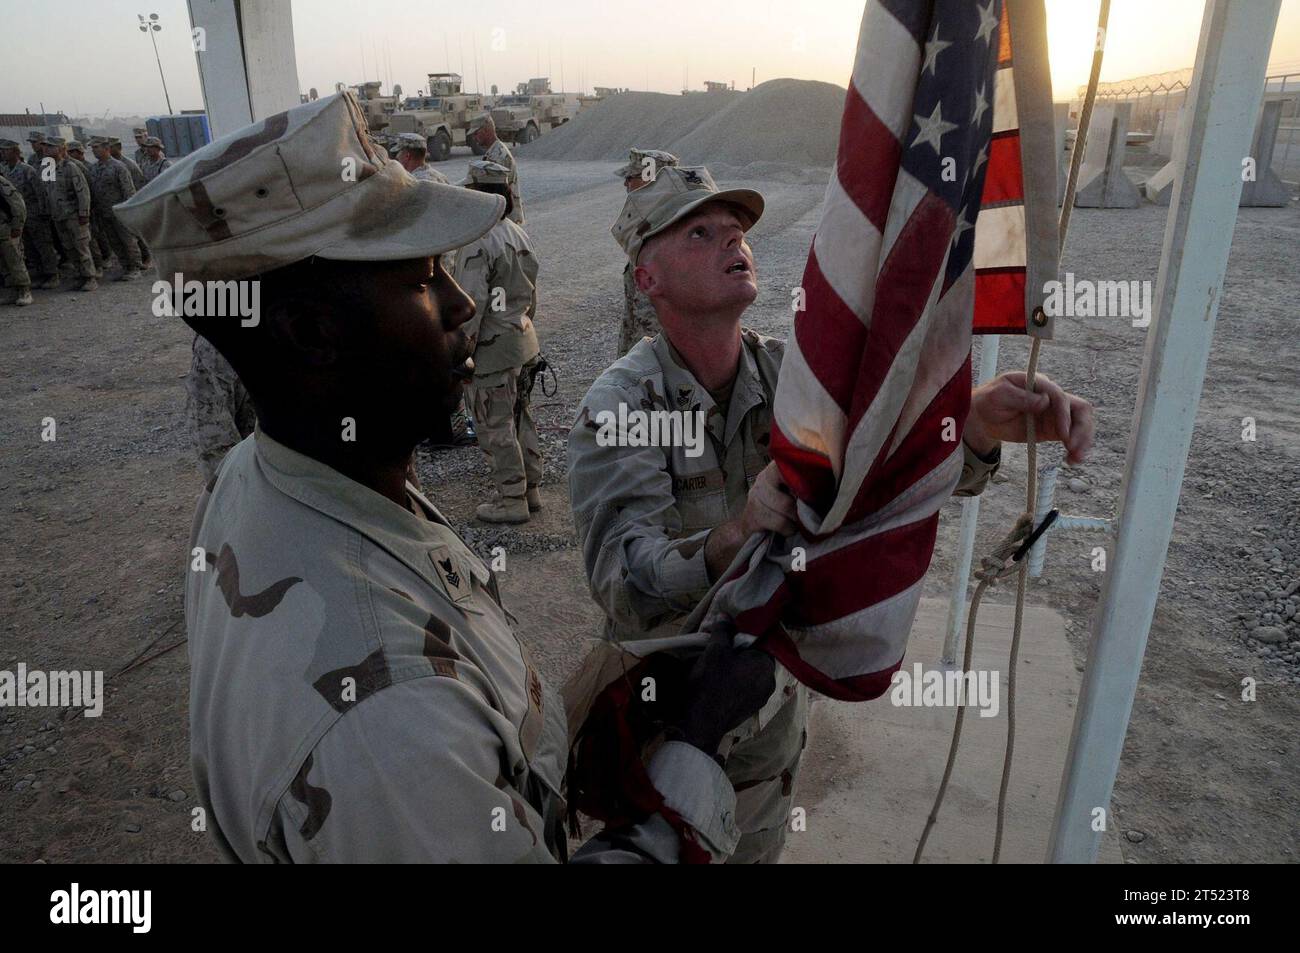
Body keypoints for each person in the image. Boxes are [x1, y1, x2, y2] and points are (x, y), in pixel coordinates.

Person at [115, 91, 770, 863]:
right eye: (426, 278)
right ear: (313, 333)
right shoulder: (391, 731)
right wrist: (694, 749)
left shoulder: (278, 475)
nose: (463, 305)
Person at [567, 165, 1097, 863]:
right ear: (648, 280)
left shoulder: (798, 378)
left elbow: (890, 478)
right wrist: (736, 534)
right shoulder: (625, 406)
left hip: (770, 729)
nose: (733, 243)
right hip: (669, 728)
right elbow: (626, 581)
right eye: (700, 232)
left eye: (737, 231)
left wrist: (972, 424)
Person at [452, 159, 543, 524]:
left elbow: (470, 308)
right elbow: (532, 295)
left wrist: (461, 354)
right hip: (521, 340)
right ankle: (530, 489)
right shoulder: (516, 232)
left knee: (493, 423)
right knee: (522, 417)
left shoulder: (478, 240)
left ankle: (511, 499)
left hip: (491, 349)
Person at [613, 148, 678, 357]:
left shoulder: (672, 229)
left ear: (650, 179)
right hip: (642, 353)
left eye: (631, 177)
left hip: (662, 354)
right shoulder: (648, 223)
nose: (626, 184)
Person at [1, 138, 59, 289]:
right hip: (18, 217)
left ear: (15, 152)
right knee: (29, 247)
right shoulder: (6, 170)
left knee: (43, 245)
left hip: (34, 213)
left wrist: (44, 212)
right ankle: (40, 274)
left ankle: (52, 274)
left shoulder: (27, 170)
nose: (3, 153)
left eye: (6, 150)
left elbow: (40, 193)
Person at [41, 136, 97, 292]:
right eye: (45, 147)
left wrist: (83, 212)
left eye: (50, 147)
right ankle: (79, 276)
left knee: (81, 246)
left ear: (60, 149)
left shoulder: (70, 166)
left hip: (73, 214)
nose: (46, 149)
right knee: (68, 248)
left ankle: (90, 278)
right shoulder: (47, 167)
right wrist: (47, 211)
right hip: (58, 215)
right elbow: (47, 192)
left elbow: (82, 191)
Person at [466, 116, 523, 224]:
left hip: (504, 218)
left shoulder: (498, 155)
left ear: (486, 131)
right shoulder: (494, 152)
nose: (474, 137)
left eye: (476, 133)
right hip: (502, 215)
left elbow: (495, 191)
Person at [0, 172, 33, 306]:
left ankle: (24, 290)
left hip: (5, 228)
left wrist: (17, 226)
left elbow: (17, 203)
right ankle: (12, 291)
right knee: (3, 264)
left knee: (14, 259)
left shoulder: (1, 181)